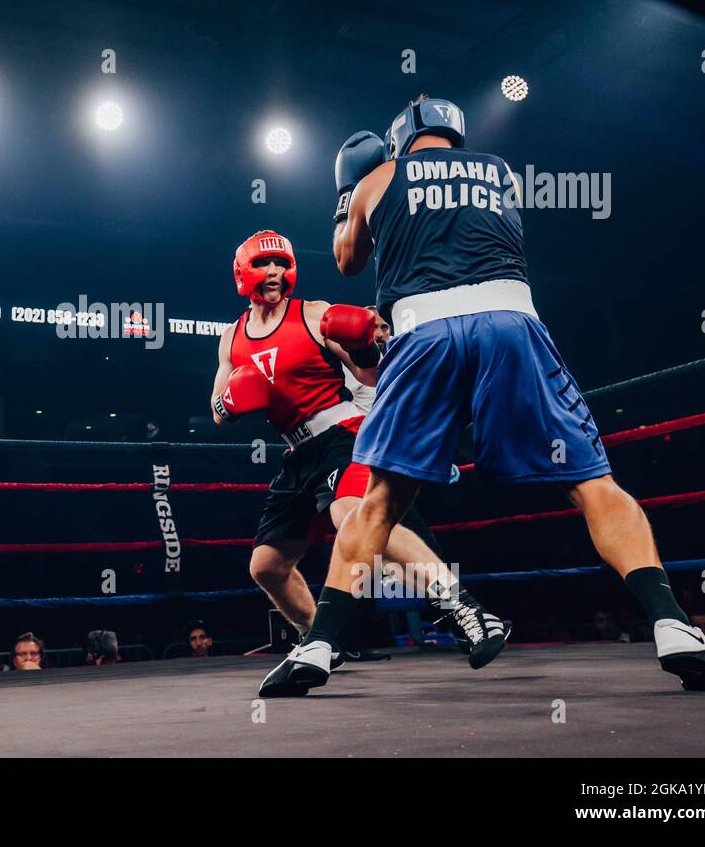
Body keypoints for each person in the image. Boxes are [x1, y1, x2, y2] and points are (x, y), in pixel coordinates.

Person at [261, 95, 705, 696]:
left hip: (423, 332)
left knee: (380, 501)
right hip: (510, 323)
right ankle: (673, 624)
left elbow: (347, 259)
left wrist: (349, 196)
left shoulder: (379, 177)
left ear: (400, 138)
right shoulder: (501, 174)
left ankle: (321, 646)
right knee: (592, 482)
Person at [214, 230, 506, 675]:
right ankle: (323, 639)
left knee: (353, 515)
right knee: (267, 566)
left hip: (344, 434)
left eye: (280, 264)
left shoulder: (315, 314)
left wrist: (364, 345)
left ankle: (466, 607)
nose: (273, 272)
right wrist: (230, 402)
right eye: (263, 265)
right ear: (242, 272)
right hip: (297, 454)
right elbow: (217, 409)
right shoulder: (231, 337)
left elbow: (370, 377)